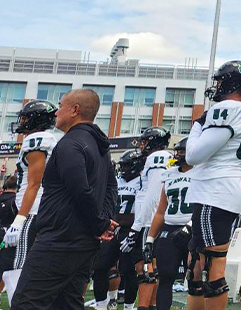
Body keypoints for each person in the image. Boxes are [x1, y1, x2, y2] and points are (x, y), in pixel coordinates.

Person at [10, 89, 117, 310]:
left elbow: (80, 189)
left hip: (59, 239)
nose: (57, 112)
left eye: (61, 106)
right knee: (67, 304)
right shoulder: (99, 146)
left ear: (75, 110)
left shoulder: (70, 143)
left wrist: (100, 223)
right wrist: (102, 222)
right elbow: (110, 187)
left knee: (26, 303)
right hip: (85, 241)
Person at [185, 60, 241, 309]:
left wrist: (197, 125)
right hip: (224, 190)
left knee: (211, 266)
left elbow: (193, 155)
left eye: (220, 81)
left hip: (214, 191)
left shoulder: (227, 108)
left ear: (231, 83)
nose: (216, 86)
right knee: (196, 266)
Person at [3, 99, 64, 300]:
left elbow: (34, 184)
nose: (22, 122)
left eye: (26, 117)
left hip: (32, 212)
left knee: (15, 267)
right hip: (42, 210)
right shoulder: (49, 139)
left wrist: (19, 220)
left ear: (36, 119)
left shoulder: (37, 139)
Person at [89, 150, 145, 309]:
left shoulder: (142, 181)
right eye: (122, 165)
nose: (123, 169)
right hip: (112, 228)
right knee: (100, 268)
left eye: (127, 165)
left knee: (128, 270)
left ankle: (128, 307)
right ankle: (102, 305)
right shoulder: (116, 180)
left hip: (131, 230)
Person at [146, 140, 193, 310]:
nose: (179, 155)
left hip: (193, 229)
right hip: (170, 228)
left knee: (196, 279)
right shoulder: (169, 174)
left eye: (183, 151)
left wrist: (191, 226)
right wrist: (150, 239)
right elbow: (161, 210)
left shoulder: (202, 172)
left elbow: (207, 204)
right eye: (178, 151)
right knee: (165, 277)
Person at [132, 126, 172, 310]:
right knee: (152, 266)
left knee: (145, 267)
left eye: (146, 141)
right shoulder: (166, 157)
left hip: (150, 220)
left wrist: (137, 225)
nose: (142, 145)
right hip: (156, 218)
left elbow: (153, 195)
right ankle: (152, 306)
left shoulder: (157, 157)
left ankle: (144, 307)